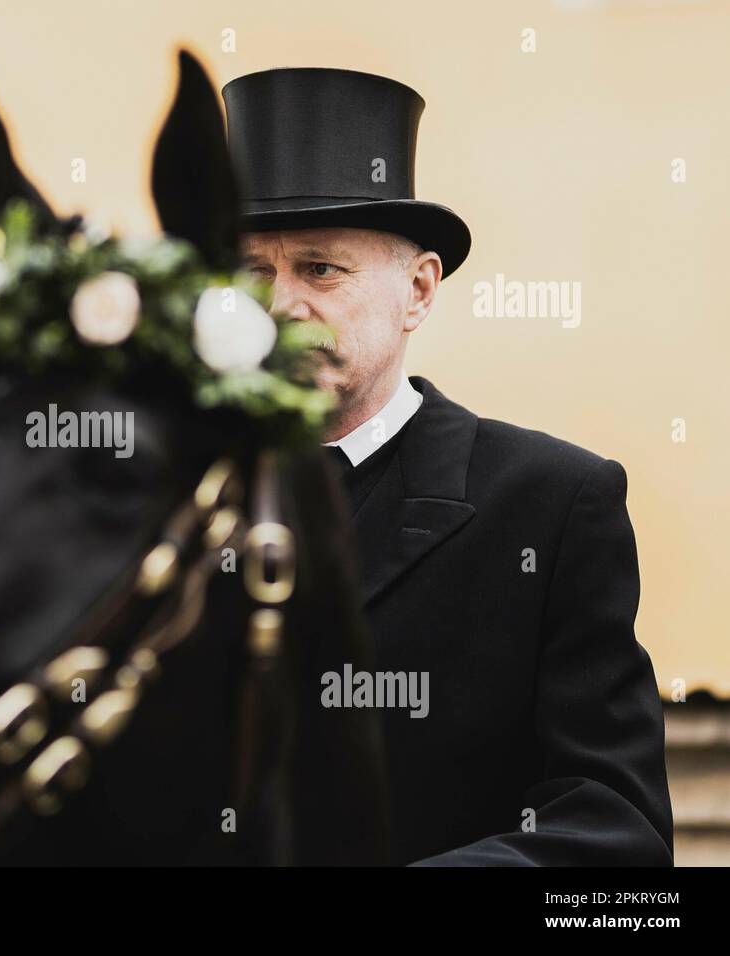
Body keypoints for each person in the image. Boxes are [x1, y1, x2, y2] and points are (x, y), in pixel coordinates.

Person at [223, 67, 673, 865]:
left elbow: (617, 833)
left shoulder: (554, 503)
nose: (282, 306)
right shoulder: (162, 501)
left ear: (419, 291)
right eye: (255, 272)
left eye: (320, 269)